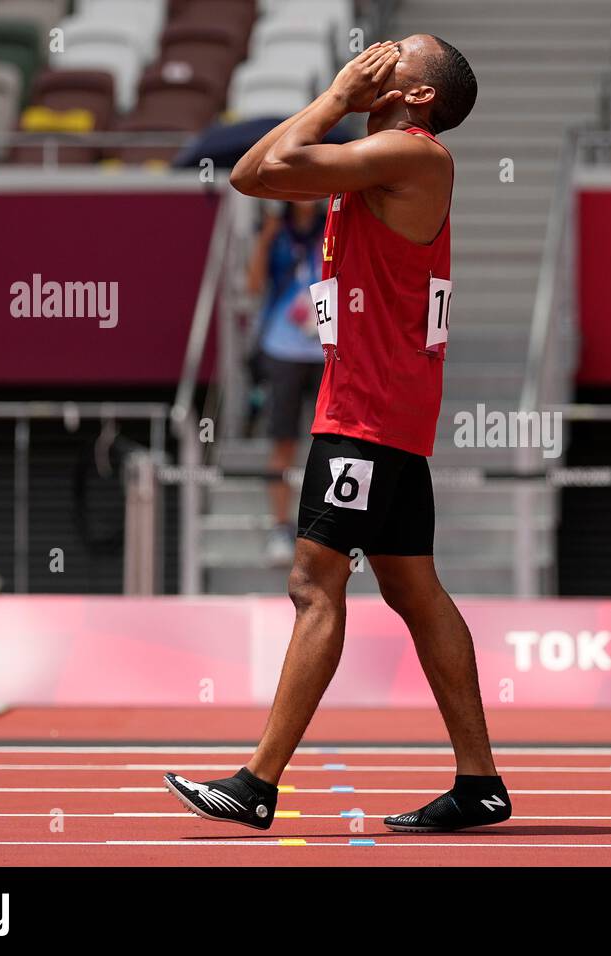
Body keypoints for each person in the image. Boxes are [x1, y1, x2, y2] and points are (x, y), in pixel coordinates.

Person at [163, 36, 512, 833]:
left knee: (314, 582)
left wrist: (335, 94)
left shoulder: (413, 156)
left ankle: (258, 783)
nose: (379, 55)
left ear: (418, 96)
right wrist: (341, 103)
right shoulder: (380, 155)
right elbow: (261, 171)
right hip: (378, 408)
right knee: (412, 588)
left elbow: (255, 173)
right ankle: (480, 782)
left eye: (398, 55)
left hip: (368, 414)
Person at [246, 199, 326, 565]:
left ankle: (331, 531)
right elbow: (253, 284)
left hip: (328, 349)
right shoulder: (276, 232)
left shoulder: (333, 225)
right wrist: (266, 236)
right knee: (283, 442)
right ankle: (280, 527)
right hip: (282, 348)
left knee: (333, 446)